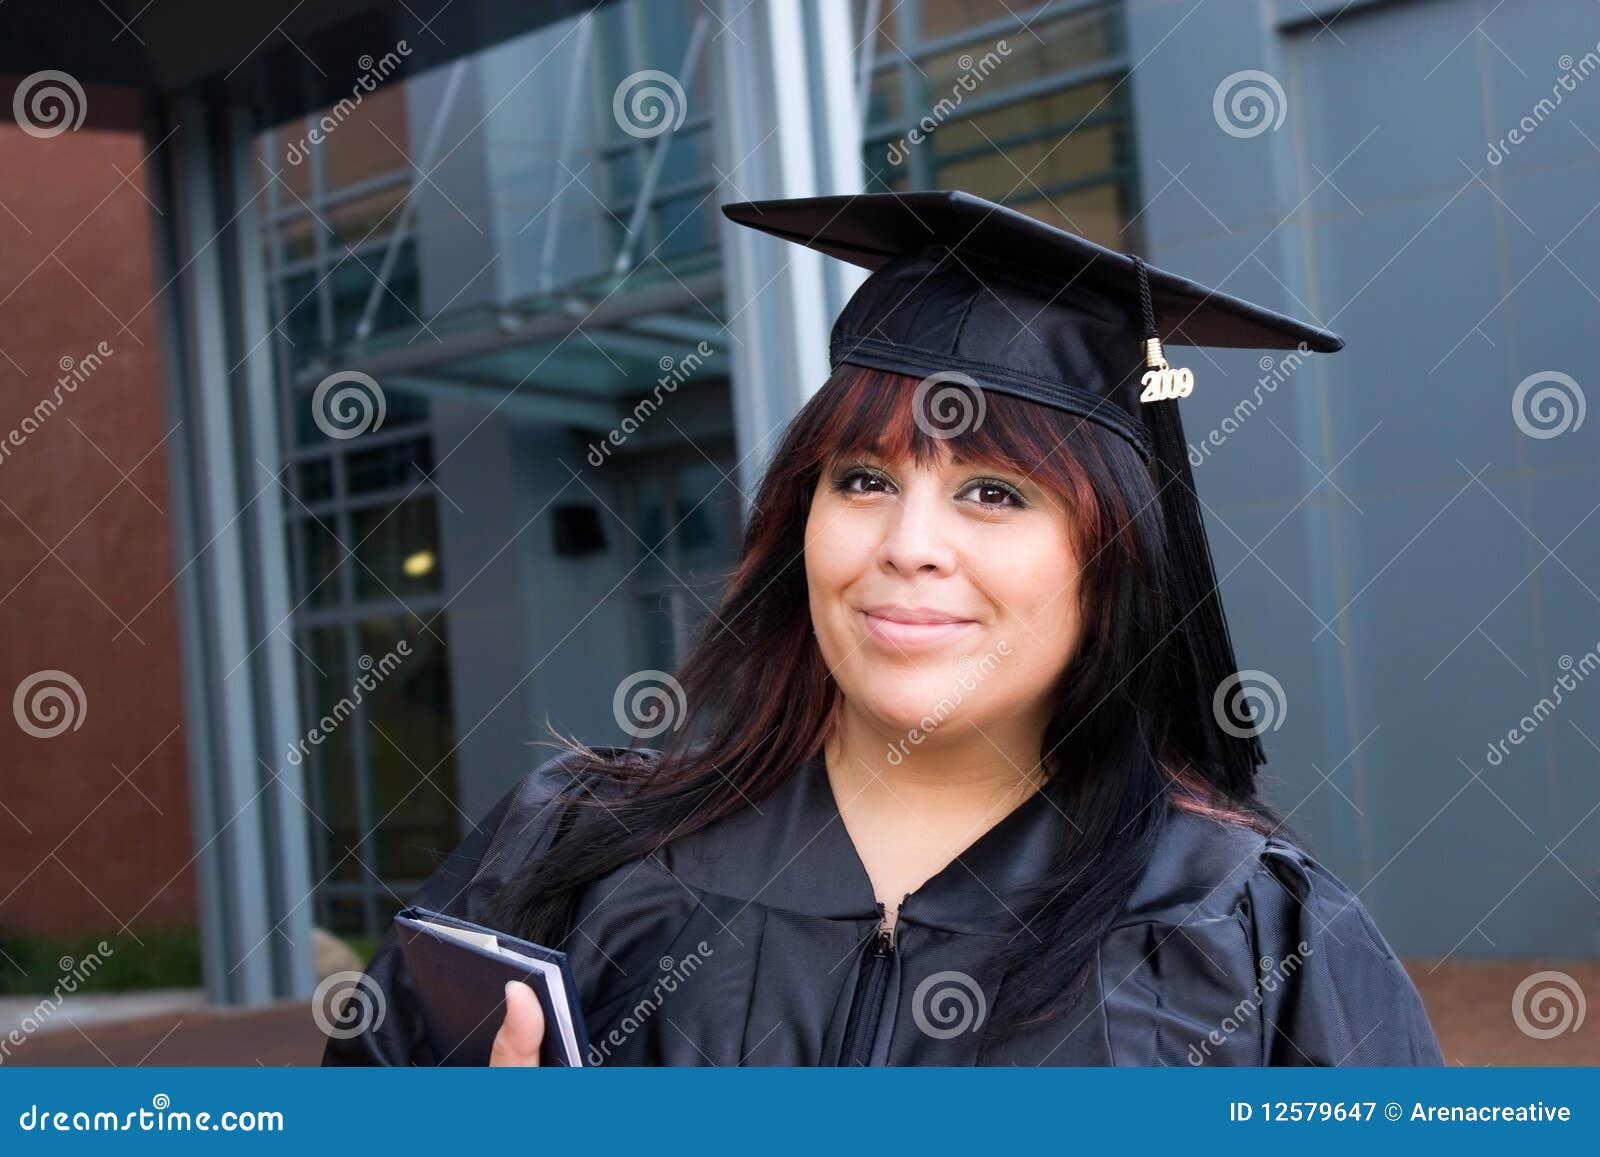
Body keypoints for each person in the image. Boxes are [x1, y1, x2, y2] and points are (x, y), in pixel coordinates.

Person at [322, 190, 1445, 1067]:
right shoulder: (575, 855)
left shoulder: (1244, 933)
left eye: (993, 492)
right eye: (861, 479)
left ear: (1114, 563)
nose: (906, 543)